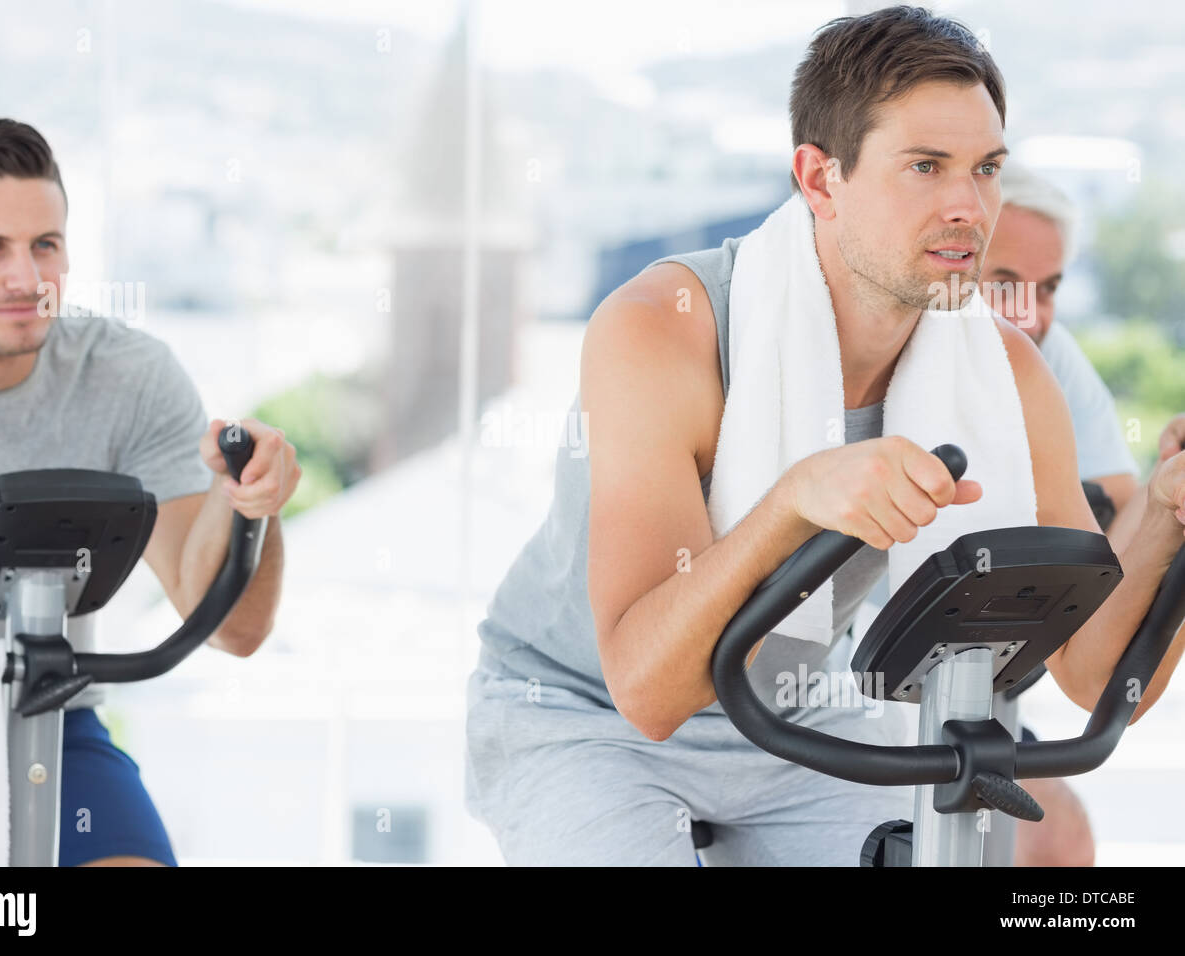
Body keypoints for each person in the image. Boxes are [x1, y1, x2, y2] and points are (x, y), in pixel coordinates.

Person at [465, 6, 1185, 866]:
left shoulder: (1007, 376)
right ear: (819, 178)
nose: (969, 206)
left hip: (797, 707)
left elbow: (1095, 675)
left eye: (987, 169)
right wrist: (794, 503)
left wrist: (1168, 515)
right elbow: (648, 692)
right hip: (582, 714)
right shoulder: (665, 330)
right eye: (926, 166)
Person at [0, 119, 302, 866]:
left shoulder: (130, 376)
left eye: (46, 244)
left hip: (45, 708)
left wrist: (249, 510)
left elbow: (236, 631)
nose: (26, 279)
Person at [975, 162, 1185, 866]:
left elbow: (1120, 542)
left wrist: (1169, 491)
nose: (1031, 314)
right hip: (840, 688)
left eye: (1051, 288)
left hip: (966, 693)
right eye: (1005, 282)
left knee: (1057, 840)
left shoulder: (1048, 356)